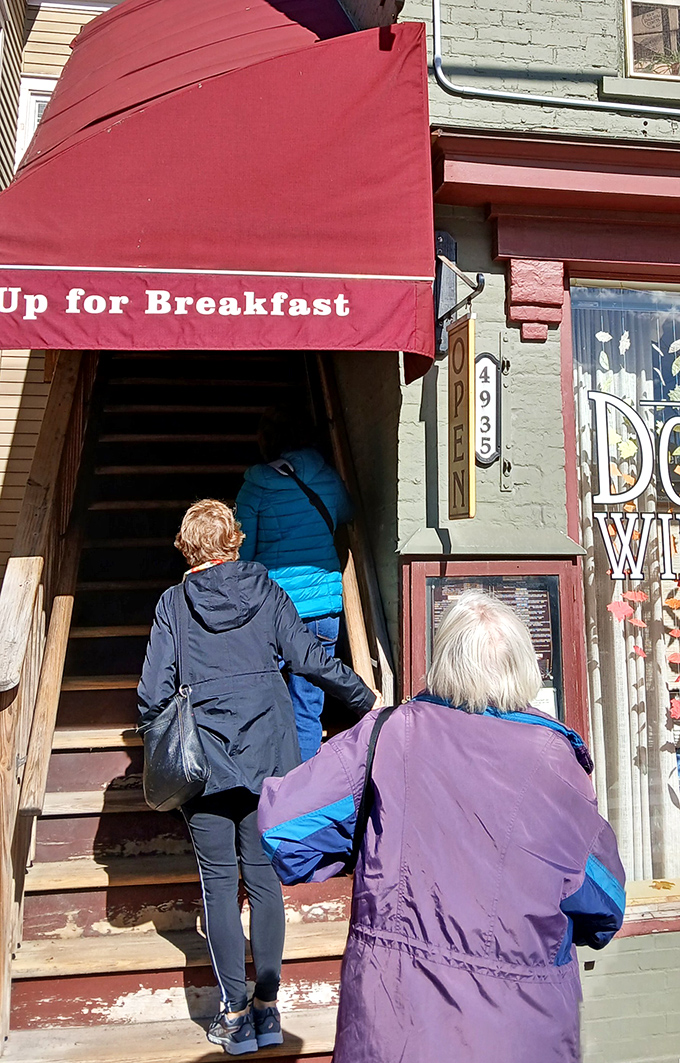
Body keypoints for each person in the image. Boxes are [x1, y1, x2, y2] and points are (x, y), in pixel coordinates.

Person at [258, 591, 626, 1063]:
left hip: (398, 1027)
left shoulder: (388, 733)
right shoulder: (558, 764)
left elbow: (283, 829)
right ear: (524, 665)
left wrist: (362, 841)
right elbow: (605, 904)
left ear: (444, 659)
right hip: (522, 1031)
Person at [137, 499, 377, 1056]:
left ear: (186, 547)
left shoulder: (173, 605)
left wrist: (169, 733)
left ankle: (236, 1016)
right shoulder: (268, 591)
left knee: (219, 887)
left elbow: (151, 695)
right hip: (270, 754)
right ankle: (270, 1011)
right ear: (235, 541)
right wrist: (365, 698)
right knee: (266, 883)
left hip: (205, 765)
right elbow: (311, 659)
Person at [235, 404, 353, 761]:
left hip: (274, 609)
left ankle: (266, 781)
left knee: (267, 699)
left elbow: (242, 552)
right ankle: (299, 791)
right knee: (308, 704)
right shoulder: (329, 477)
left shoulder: (256, 487)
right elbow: (346, 514)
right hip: (323, 607)